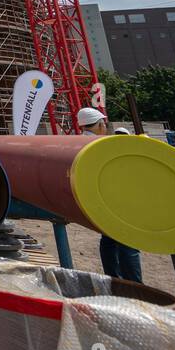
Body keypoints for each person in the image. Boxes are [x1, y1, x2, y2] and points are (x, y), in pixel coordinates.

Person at [76, 107, 143, 282]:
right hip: (114, 198)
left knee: (109, 239)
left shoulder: (76, 141)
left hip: (95, 198)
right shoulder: (102, 145)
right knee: (128, 243)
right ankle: (135, 286)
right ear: (99, 125)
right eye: (104, 124)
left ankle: (113, 278)